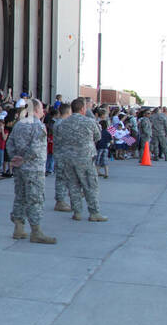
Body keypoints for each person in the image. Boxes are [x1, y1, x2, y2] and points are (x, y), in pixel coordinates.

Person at [8, 99, 56, 245]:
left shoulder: (19, 124)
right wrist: (23, 159)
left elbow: (9, 143)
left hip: (20, 169)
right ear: (35, 109)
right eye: (41, 108)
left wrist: (14, 158)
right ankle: (36, 231)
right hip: (33, 168)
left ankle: (18, 227)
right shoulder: (38, 125)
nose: (43, 111)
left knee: (20, 197)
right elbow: (36, 148)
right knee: (35, 199)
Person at [53, 98, 107, 222]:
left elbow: (60, 140)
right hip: (85, 157)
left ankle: (77, 212)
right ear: (83, 109)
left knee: (73, 185)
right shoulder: (89, 121)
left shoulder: (63, 123)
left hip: (68, 158)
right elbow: (98, 137)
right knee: (90, 185)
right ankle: (94, 212)